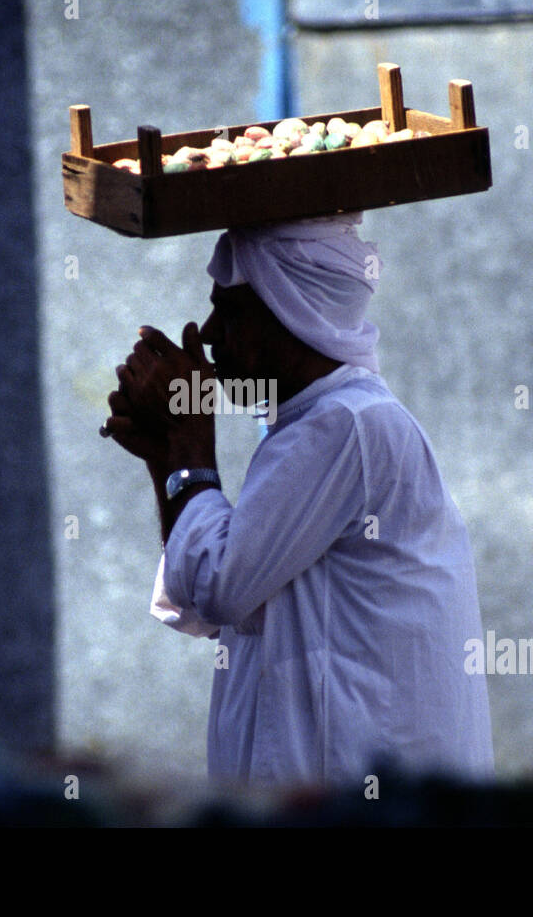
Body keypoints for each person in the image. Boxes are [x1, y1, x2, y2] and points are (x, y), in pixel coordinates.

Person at [102, 212, 494, 788]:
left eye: (228, 312)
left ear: (291, 313)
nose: (207, 335)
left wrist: (189, 436)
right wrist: (166, 457)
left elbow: (222, 588)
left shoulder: (346, 425)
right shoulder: (311, 426)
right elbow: (200, 600)